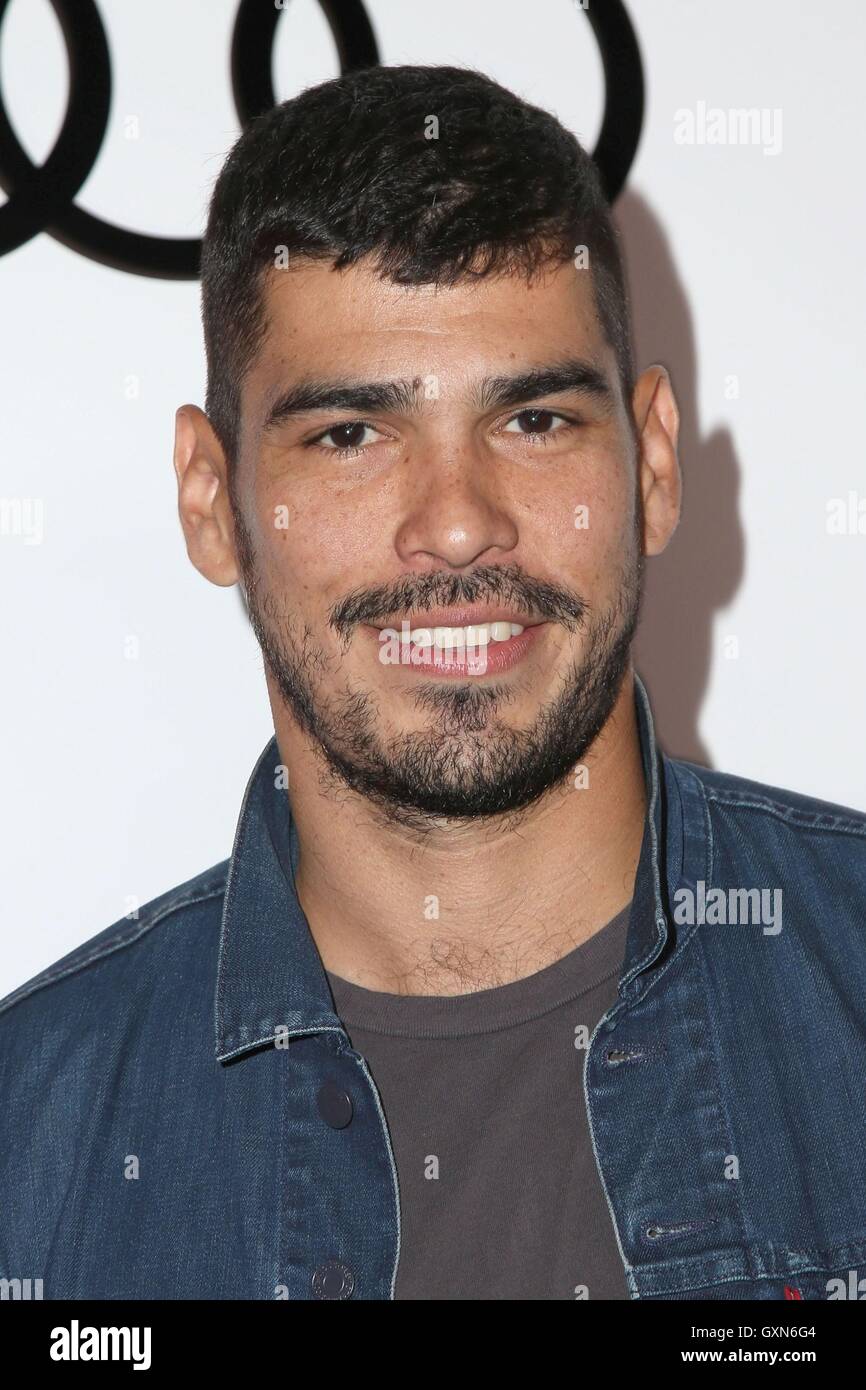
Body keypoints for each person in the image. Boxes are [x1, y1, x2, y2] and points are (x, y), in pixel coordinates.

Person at [2, 65, 865, 1303]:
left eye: (534, 422)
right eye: (350, 435)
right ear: (212, 501)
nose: (457, 530)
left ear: (653, 465)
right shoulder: (32, 1155)